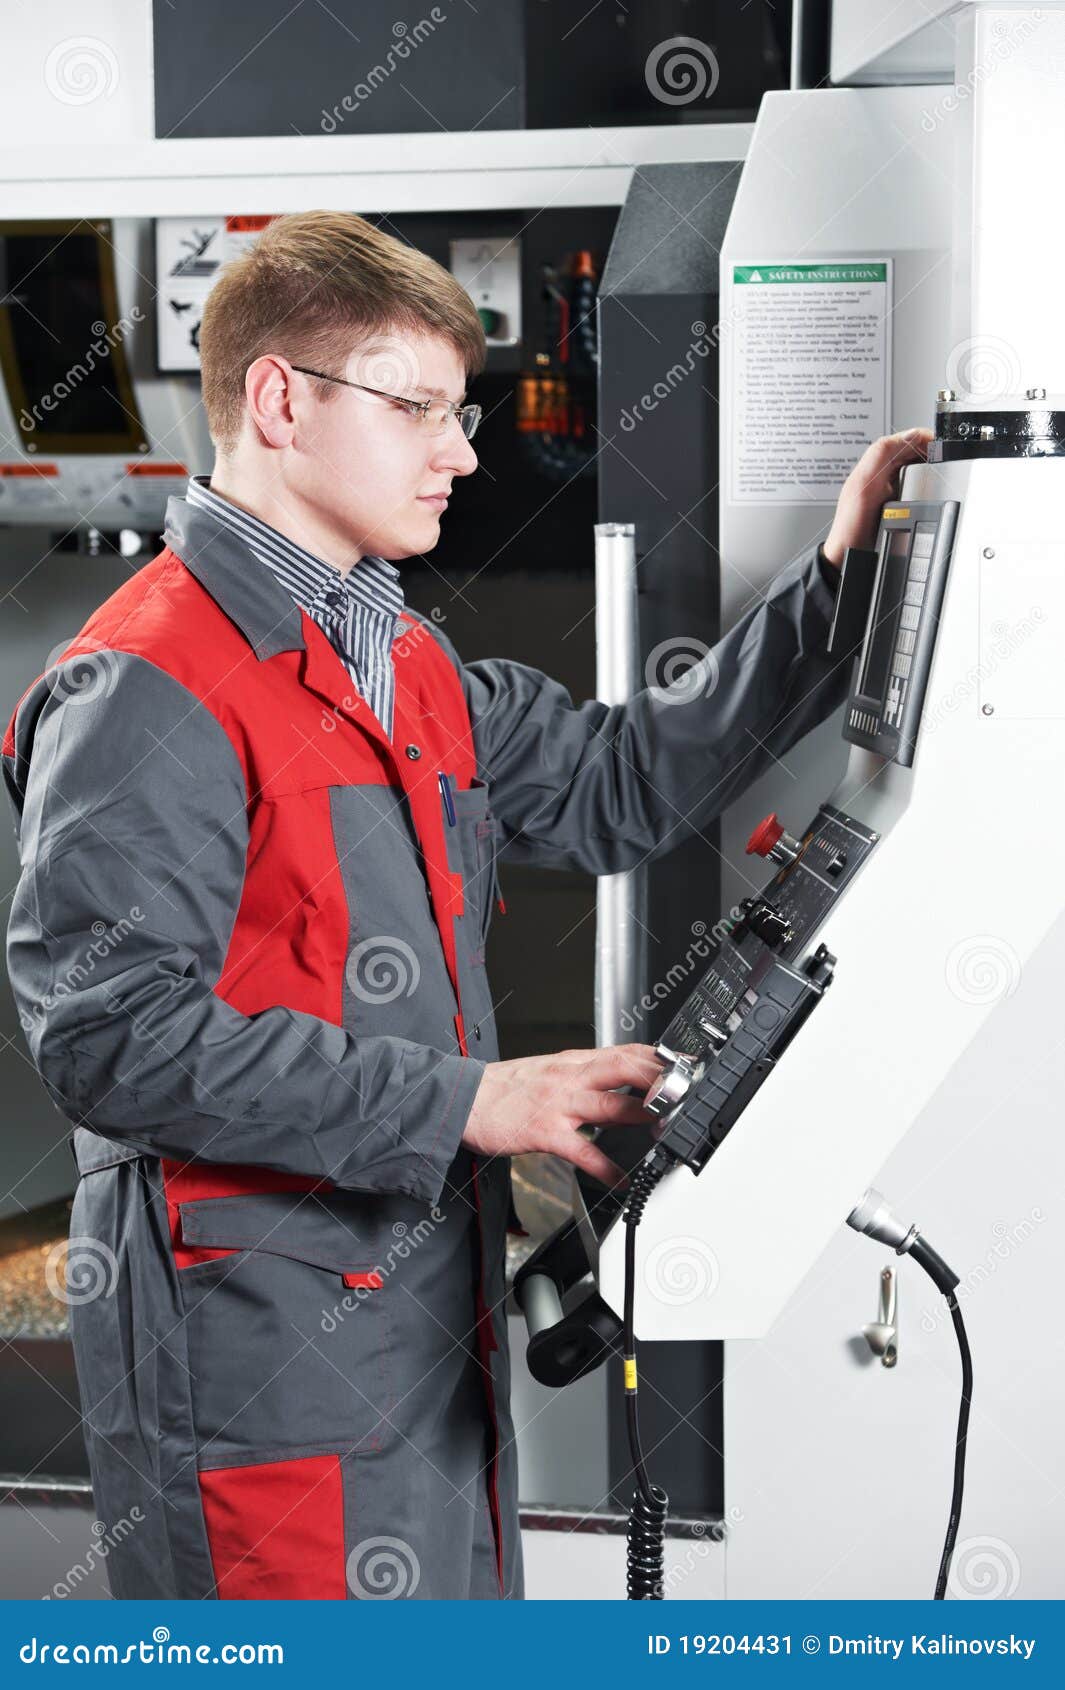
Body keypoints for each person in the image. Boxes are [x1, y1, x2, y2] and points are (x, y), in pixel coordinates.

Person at [2, 210, 930, 1600]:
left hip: (424, 1331)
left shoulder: (401, 659)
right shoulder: (149, 681)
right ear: (279, 401)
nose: (464, 450)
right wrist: (470, 1101)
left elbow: (620, 783)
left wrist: (840, 590)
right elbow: (112, 1039)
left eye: (461, 408)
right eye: (418, 409)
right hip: (257, 1364)